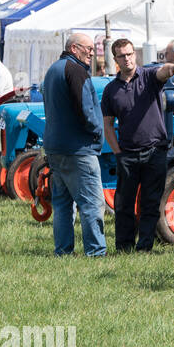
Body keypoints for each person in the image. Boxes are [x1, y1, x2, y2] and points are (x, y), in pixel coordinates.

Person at [101, 38, 174, 252]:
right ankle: (124, 246)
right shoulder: (111, 90)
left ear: (134, 54)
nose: (127, 58)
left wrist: (173, 68)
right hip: (127, 154)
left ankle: (145, 246)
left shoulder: (148, 77)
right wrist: (118, 152)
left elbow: (162, 71)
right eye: (122, 55)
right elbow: (108, 125)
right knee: (123, 204)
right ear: (115, 59)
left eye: (129, 54)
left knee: (150, 202)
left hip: (154, 151)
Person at [41, 33, 106, 257]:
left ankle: (63, 251)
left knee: (62, 205)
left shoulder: (53, 70)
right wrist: (98, 132)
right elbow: (86, 109)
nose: (92, 52)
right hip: (78, 149)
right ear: (74, 48)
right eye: (88, 48)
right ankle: (96, 252)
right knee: (92, 204)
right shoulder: (76, 70)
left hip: (55, 148)